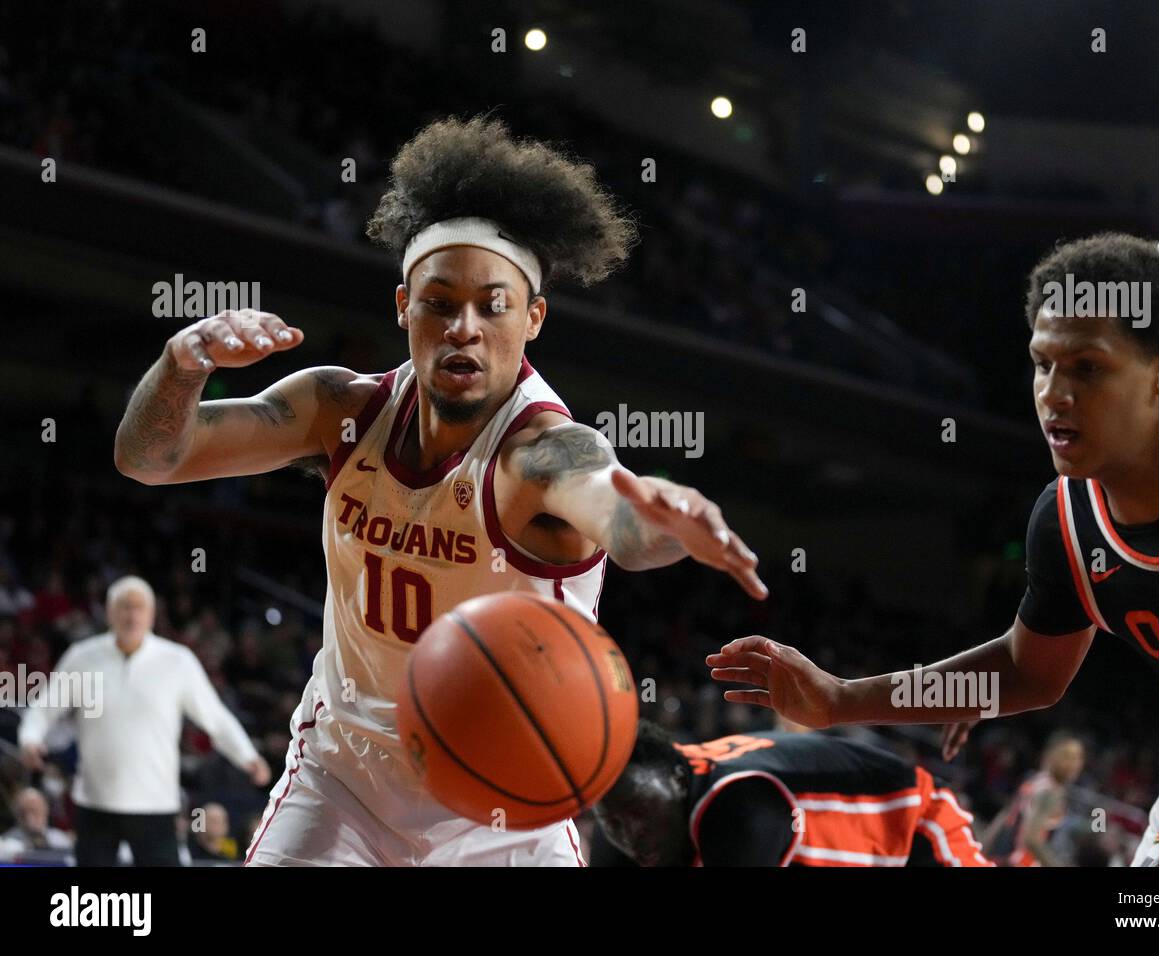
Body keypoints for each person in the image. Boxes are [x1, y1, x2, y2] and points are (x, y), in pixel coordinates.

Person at [114, 114, 767, 867]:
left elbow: (620, 520)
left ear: (533, 317)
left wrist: (668, 519)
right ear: (404, 307)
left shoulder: (540, 450)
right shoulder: (340, 408)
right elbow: (149, 459)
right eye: (439, 302)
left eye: (493, 305)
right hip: (346, 781)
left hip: (508, 804)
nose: (464, 327)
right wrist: (182, 366)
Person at [709, 233, 1159, 865]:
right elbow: (1025, 672)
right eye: (1043, 364)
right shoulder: (1066, 523)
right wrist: (839, 700)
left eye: (1087, 367)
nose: (1054, 393)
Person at [18, 576, 270, 866]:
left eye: (138, 607)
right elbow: (44, 708)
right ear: (109, 612)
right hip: (95, 800)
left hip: (155, 802)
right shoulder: (81, 658)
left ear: (151, 614)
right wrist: (29, 738)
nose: (131, 615)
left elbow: (215, 716)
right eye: (124, 606)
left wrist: (247, 756)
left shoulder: (177, 661)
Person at [590, 721, 990, 867]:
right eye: (612, 822)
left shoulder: (736, 807)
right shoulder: (632, 800)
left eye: (638, 810)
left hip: (917, 831)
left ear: (678, 780)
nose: (630, 832)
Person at [981, 731, 1084, 866]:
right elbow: (1032, 839)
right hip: (1017, 860)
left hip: (999, 855)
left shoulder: (1033, 780)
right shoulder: (1052, 793)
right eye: (1072, 758)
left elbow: (1004, 817)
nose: (1077, 765)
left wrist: (983, 848)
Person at [0, 786, 73, 855]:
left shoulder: (60, 840)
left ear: (45, 810)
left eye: (35, 811)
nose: (29, 818)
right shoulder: (6, 843)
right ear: (17, 815)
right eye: (23, 812)